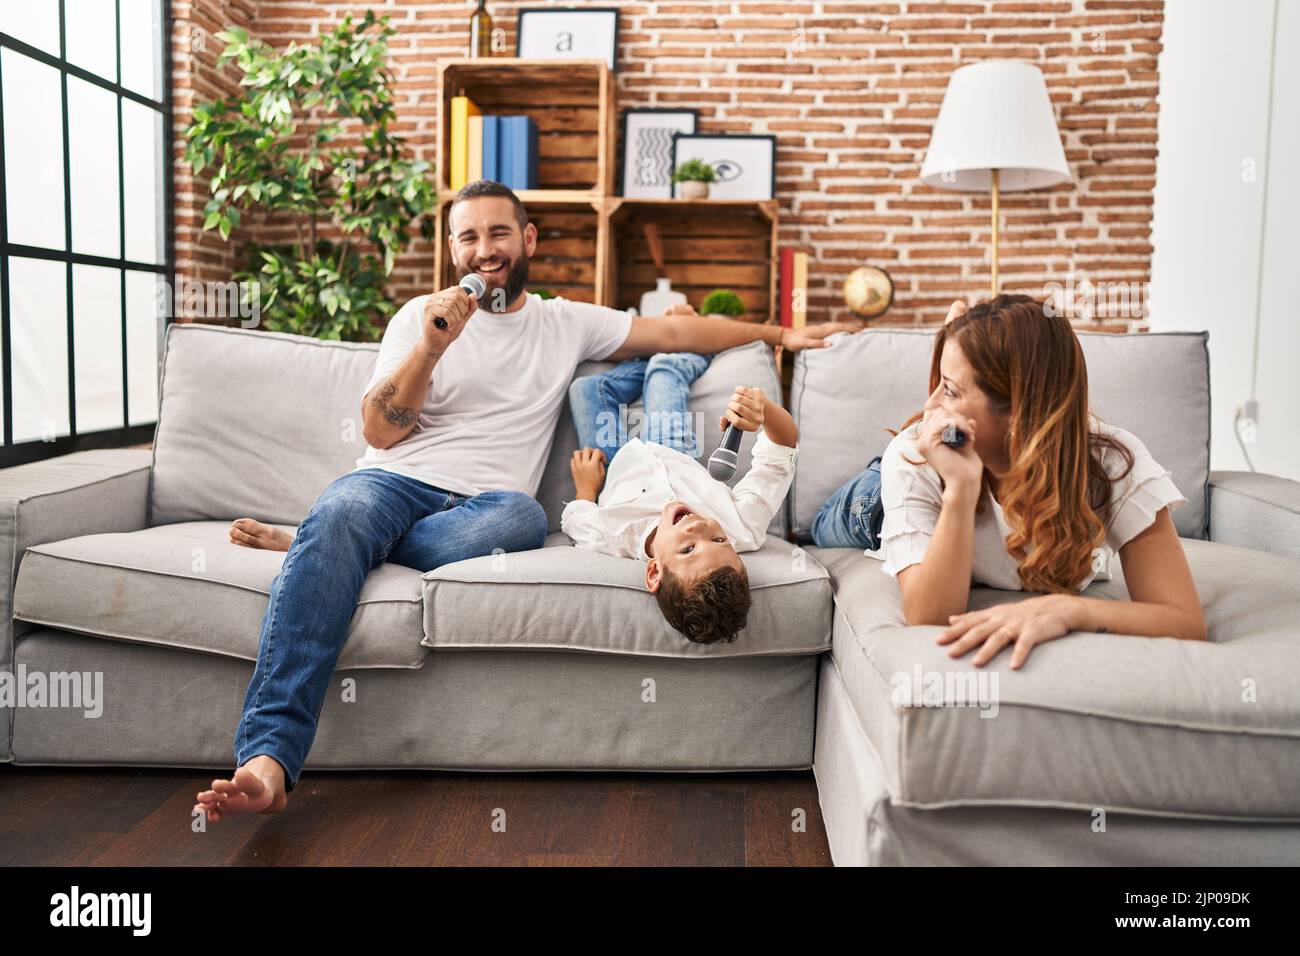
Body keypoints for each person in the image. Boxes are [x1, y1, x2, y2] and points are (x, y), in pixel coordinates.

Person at [195, 179, 864, 823]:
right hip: (393, 483)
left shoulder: (563, 322)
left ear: (528, 240)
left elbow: (675, 336)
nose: (484, 249)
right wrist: (433, 346)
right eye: (468, 238)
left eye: (498, 233)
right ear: (452, 250)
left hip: (489, 505)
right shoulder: (418, 318)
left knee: (524, 517)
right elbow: (378, 430)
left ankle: (327, 547)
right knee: (344, 511)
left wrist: (777, 337)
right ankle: (269, 759)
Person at [810, 294, 1206, 670]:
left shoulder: (1112, 463)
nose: (929, 406)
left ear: (1020, 412)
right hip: (877, 503)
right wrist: (962, 490)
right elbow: (928, 617)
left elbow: (1183, 621)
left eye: (948, 390)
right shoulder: (912, 456)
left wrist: (1069, 611)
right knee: (821, 523)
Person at [563, 384, 798, 644]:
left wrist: (586, 488)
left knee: (586, 390)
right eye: (719, 540)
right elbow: (779, 456)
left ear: (654, 572)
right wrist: (764, 409)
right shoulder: (743, 529)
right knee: (665, 369)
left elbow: (576, 519)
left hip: (613, 463)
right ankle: (689, 348)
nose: (699, 529)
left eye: (687, 550)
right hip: (673, 449)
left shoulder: (609, 535)